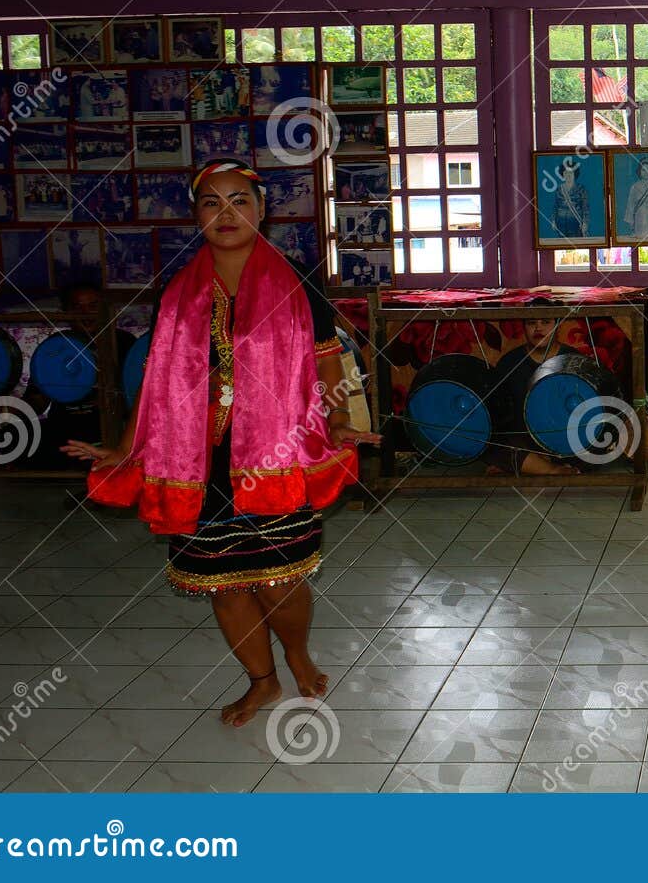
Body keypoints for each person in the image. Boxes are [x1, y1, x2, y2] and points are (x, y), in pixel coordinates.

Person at [64, 160, 381, 728]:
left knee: (279, 577)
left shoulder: (297, 280)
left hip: (278, 452)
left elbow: (327, 357)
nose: (227, 213)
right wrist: (125, 448)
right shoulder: (177, 290)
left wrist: (336, 420)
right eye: (212, 202)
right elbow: (157, 380)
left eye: (240, 201)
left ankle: (298, 656)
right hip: (196, 459)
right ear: (197, 215)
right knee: (222, 581)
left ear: (262, 210)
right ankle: (262, 681)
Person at [23, 283, 136, 472]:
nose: (86, 313)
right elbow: (37, 399)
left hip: (109, 427)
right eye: (77, 307)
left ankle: (88, 461)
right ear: (66, 312)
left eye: (93, 306)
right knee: (18, 438)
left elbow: (137, 396)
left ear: (106, 309)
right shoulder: (55, 346)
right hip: (66, 426)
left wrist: (114, 402)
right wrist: (17, 412)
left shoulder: (124, 342)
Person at [488, 299, 582, 476]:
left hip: (562, 436)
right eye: (531, 323)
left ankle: (529, 465)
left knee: (595, 445)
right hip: (524, 439)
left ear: (557, 326)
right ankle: (552, 469)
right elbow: (498, 413)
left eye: (545, 322)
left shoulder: (574, 360)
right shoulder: (510, 362)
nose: (538, 328)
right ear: (524, 327)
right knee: (492, 444)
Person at [552, 157, 589, 238]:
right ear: (563, 174)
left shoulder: (581, 189)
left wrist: (585, 223)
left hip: (576, 224)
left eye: (570, 173)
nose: (568, 175)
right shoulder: (559, 189)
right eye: (566, 173)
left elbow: (585, 207)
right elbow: (556, 206)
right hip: (561, 224)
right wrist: (553, 221)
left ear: (574, 174)